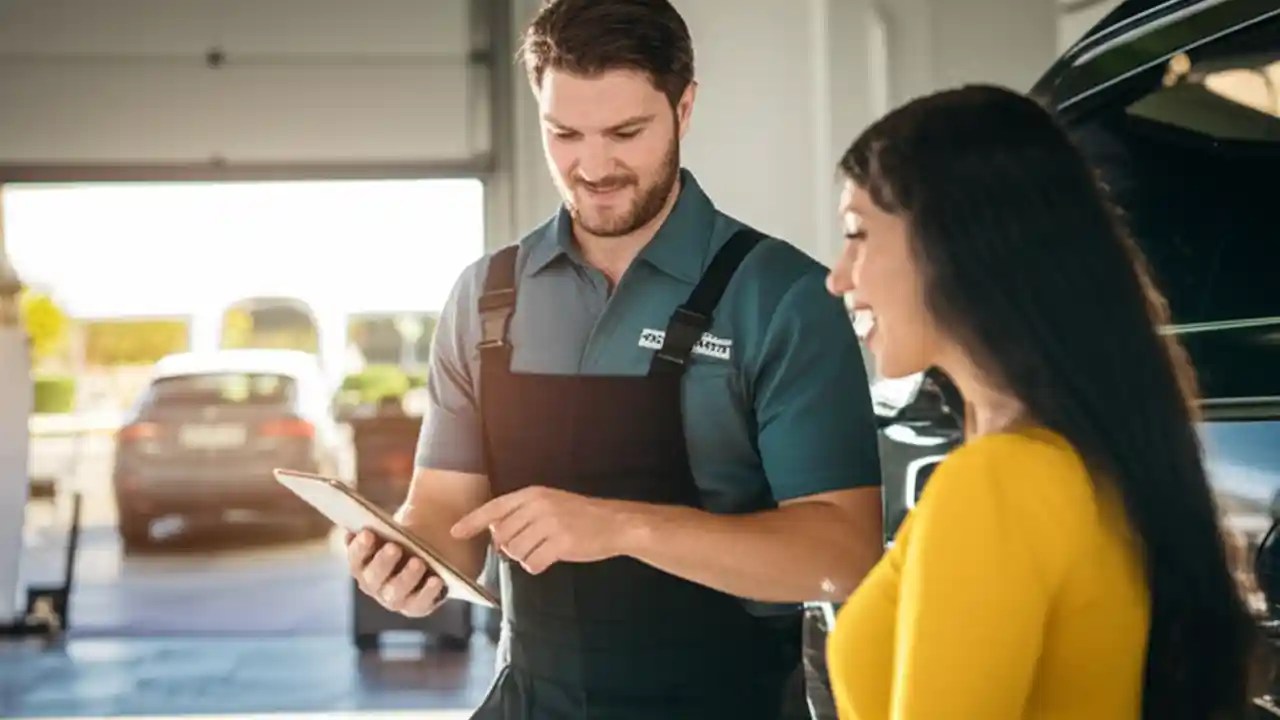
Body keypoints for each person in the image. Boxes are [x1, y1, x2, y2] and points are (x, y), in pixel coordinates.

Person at [344, 1, 884, 717]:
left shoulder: (781, 298)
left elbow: (842, 555)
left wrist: (621, 526)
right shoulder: (485, 299)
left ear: (683, 108)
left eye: (625, 133)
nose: (593, 167)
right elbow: (446, 508)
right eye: (564, 134)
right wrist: (410, 559)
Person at [823, 84, 1261, 719]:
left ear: (957, 240)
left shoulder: (996, 483)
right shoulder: (1087, 465)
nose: (838, 277)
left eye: (857, 233)